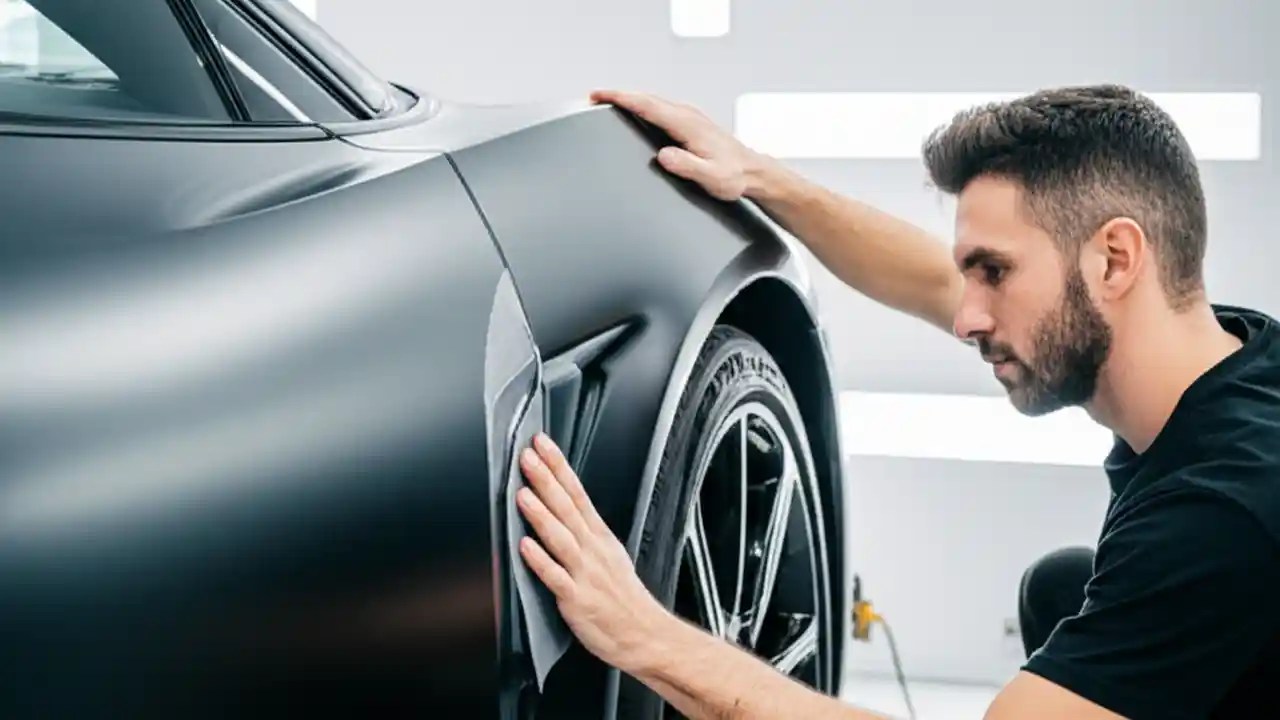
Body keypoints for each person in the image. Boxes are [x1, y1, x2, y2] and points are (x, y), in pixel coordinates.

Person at [513, 84, 1280, 719]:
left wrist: (643, 633)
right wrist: (758, 177)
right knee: (1062, 590)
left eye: (996, 272)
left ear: (1116, 258)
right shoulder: (1232, 354)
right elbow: (926, 278)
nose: (966, 315)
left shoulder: (1222, 513)